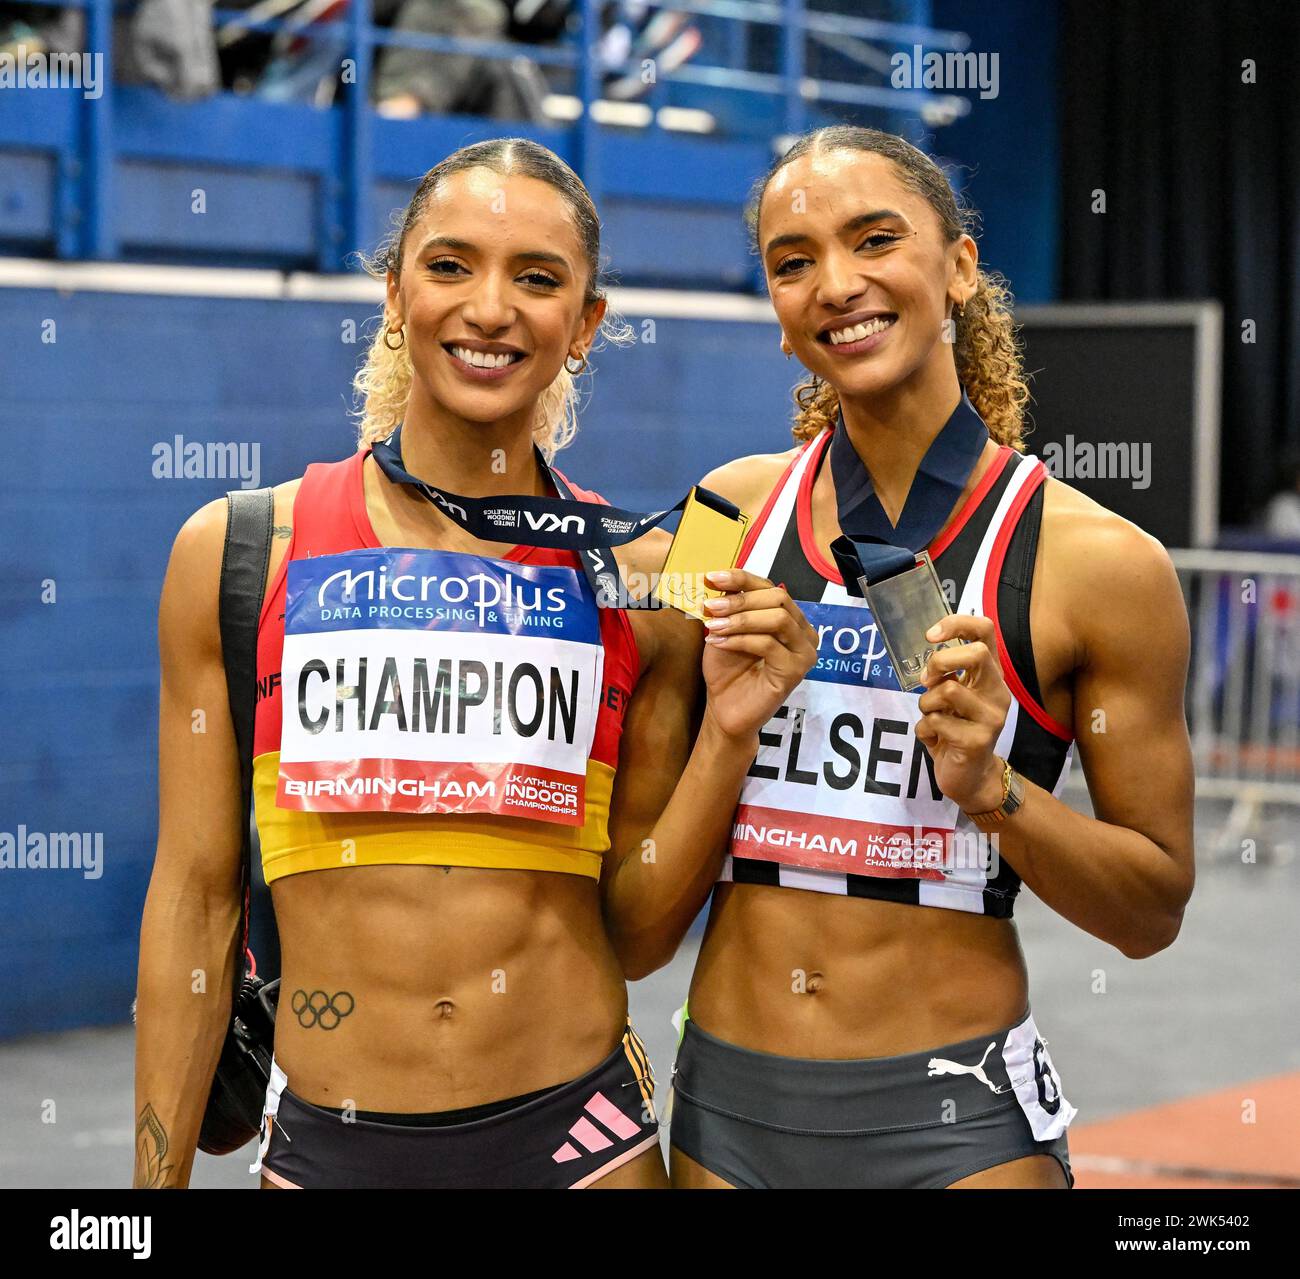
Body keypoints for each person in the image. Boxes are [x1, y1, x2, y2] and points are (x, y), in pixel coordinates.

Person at [133, 136, 816, 1189]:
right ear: (395, 291)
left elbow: (636, 933)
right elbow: (194, 896)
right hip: (331, 1145)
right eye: (450, 265)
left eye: (537, 279)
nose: (490, 308)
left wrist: (731, 732)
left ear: (585, 325)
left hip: (579, 1143)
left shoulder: (653, 578)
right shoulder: (235, 549)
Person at [665, 126, 1196, 1189]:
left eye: (874, 240)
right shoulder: (721, 512)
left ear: (957, 267)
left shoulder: (1103, 566)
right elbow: (643, 899)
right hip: (725, 1114)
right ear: (774, 313)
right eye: (792, 261)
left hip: (956, 1127)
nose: (836, 284)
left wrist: (992, 788)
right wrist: (726, 735)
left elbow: (1151, 910)